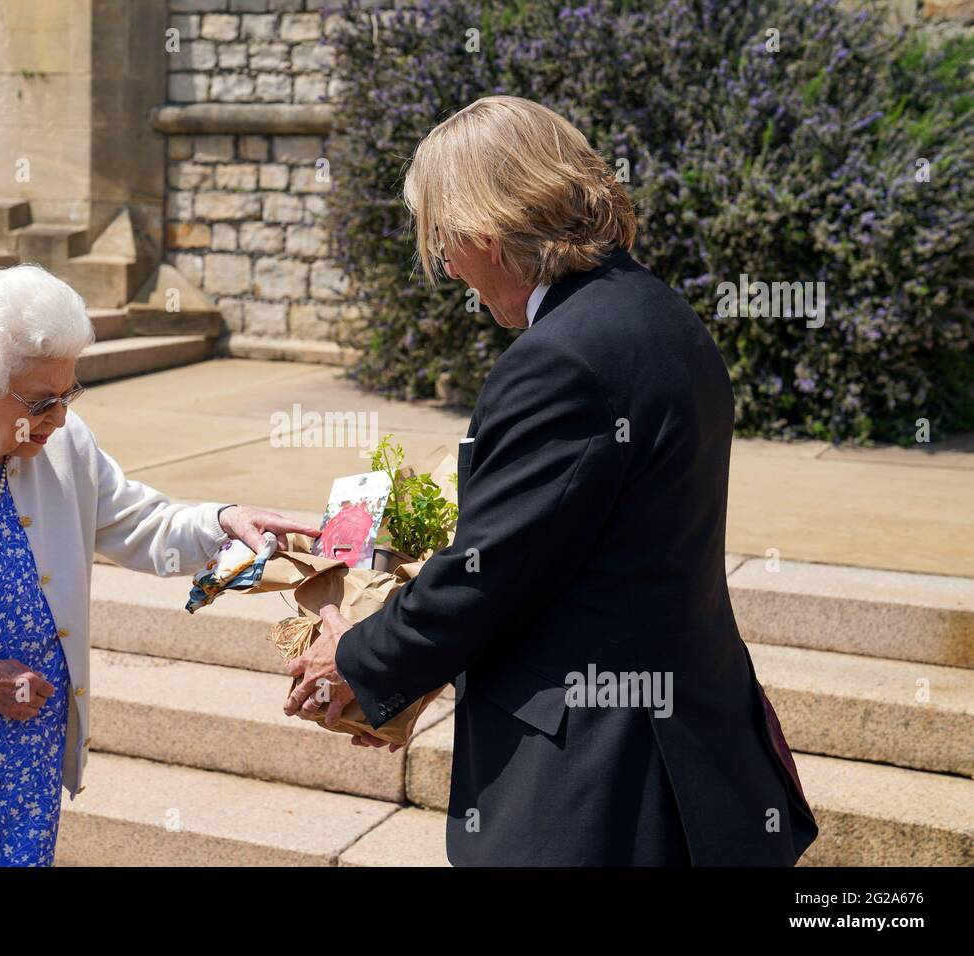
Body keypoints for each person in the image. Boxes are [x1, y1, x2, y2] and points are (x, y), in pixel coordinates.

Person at [284, 96, 819, 866]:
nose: (447, 269)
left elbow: (489, 574)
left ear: (486, 235)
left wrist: (358, 661)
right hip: (688, 740)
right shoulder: (660, 312)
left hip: (603, 781)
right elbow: (559, 542)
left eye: (443, 243)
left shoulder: (558, 360)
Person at [0, 263, 315, 865]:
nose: (61, 418)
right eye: (42, 402)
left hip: (25, 776)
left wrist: (222, 521)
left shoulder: (58, 443)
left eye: (70, 394)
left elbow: (138, 522)